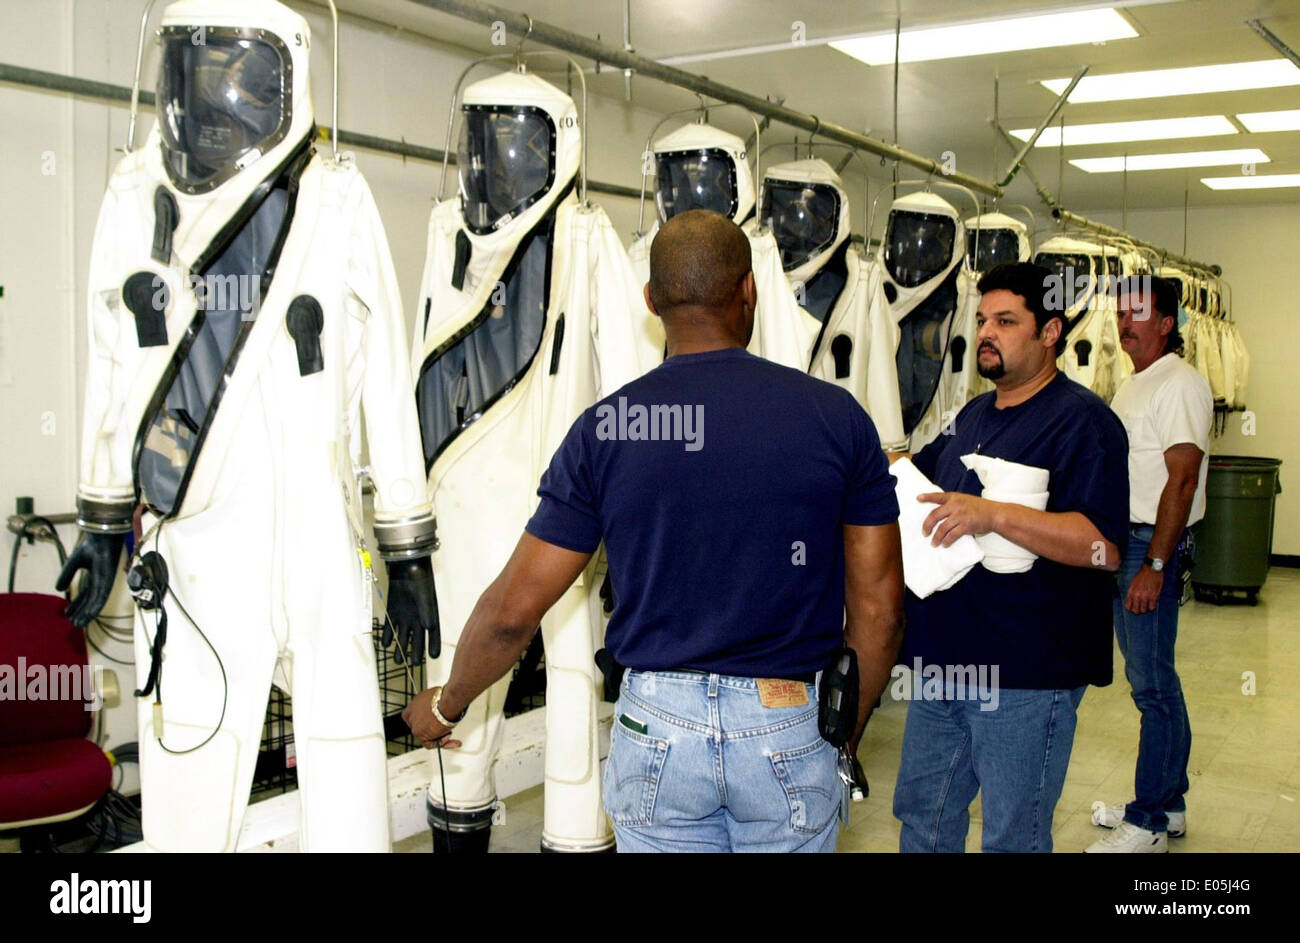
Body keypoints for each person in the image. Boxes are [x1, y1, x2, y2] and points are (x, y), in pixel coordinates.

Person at [404, 209, 905, 853]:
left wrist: (447, 704)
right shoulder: (837, 420)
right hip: (787, 716)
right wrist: (841, 730)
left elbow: (512, 610)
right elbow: (881, 610)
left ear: (650, 302)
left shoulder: (606, 431)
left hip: (658, 729)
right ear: (748, 292)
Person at [891, 260, 1129, 853]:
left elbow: (1103, 547)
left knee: (1012, 836)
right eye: (980, 320)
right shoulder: (971, 416)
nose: (985, 334)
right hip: (946, 659)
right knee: (923, 815)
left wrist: (995, 514)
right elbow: (920, 491)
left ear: (1050, 332)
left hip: (1027, 672)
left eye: (1005, 320)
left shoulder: (1084, 423)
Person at [1086, 275, 1211, 854]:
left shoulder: (1180, 383)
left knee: (1152, 687)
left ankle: (1148, 823)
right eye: (1119, 311)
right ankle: (1170, 802)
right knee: (1155, 680)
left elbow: (1181, 478)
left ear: (1167, 324)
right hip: (1125, 542)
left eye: (1136, 312)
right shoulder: (1135, 384)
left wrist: (1155, 564)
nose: (1123, 322)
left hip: (1149, 546)